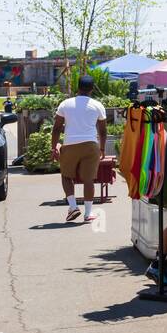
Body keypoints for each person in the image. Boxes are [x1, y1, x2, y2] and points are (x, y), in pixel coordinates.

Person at [51, 75, 107, 223]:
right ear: (92, 89)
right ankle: (88, 214)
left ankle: (73, 206)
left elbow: (56, 128)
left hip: (70, 145)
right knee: (89, 180)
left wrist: (54, 147)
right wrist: (102, 148)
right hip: (91, 145)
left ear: (78, 88)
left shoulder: (65, 104)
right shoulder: (97, 105)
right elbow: (102, 131)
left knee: (66, 175)